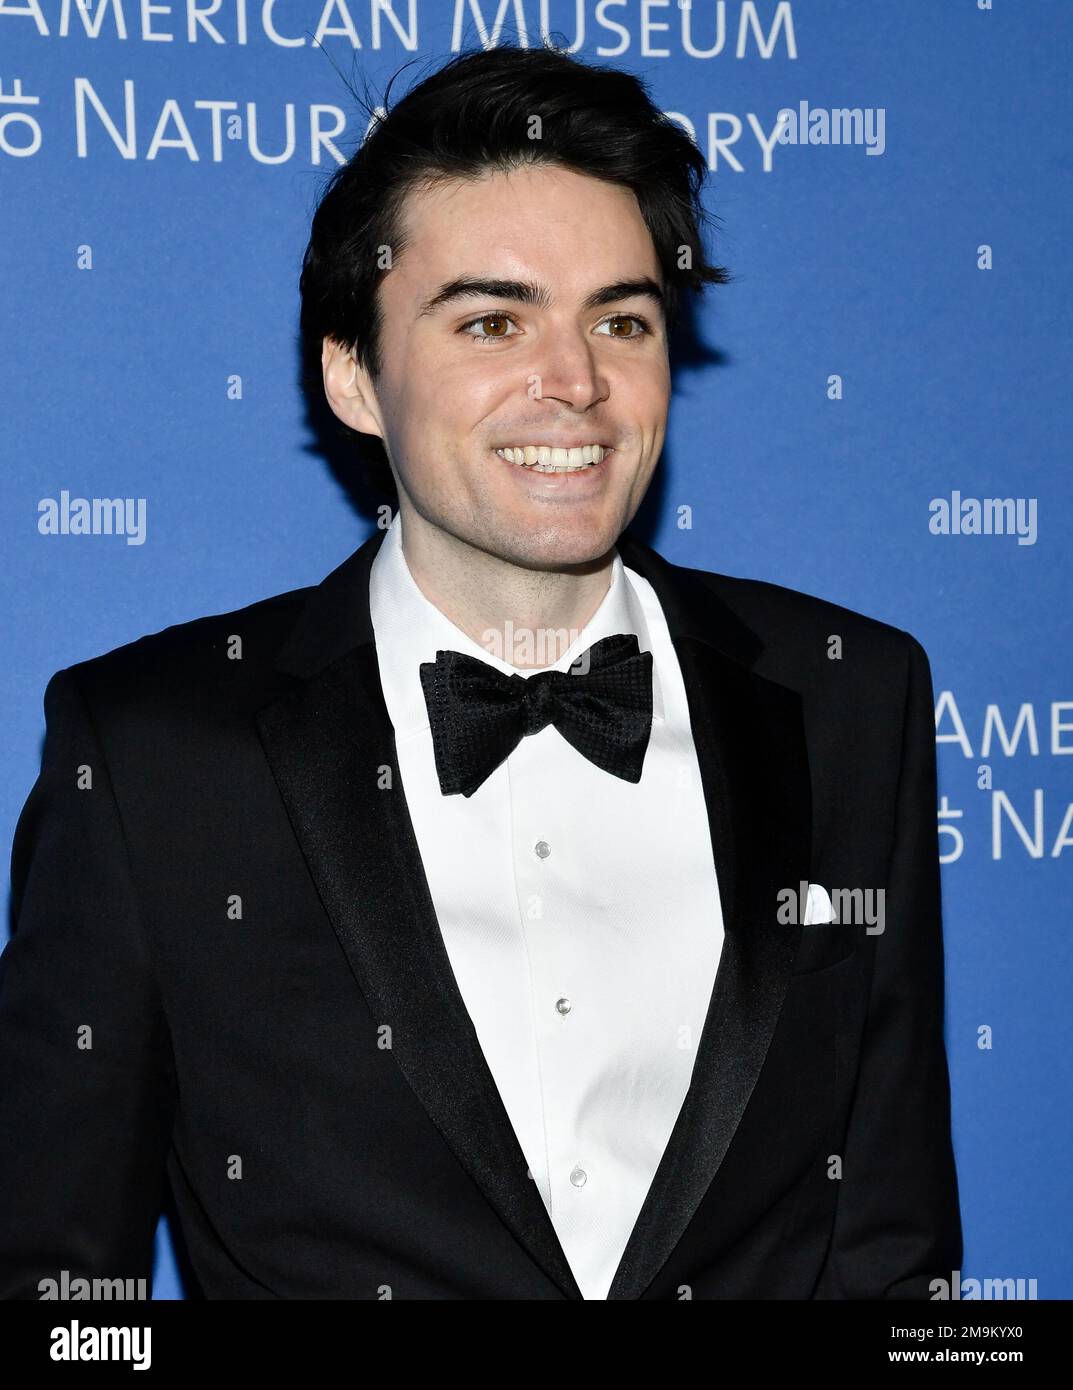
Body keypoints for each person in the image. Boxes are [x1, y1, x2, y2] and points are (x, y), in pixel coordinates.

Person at [0, 43, 960, 1301]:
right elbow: (57, 1299)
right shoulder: (153, 752)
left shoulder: (849, 696)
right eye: (492, 321)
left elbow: (892, 1255)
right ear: (354, 375)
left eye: (620, 319)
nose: (573, 383)